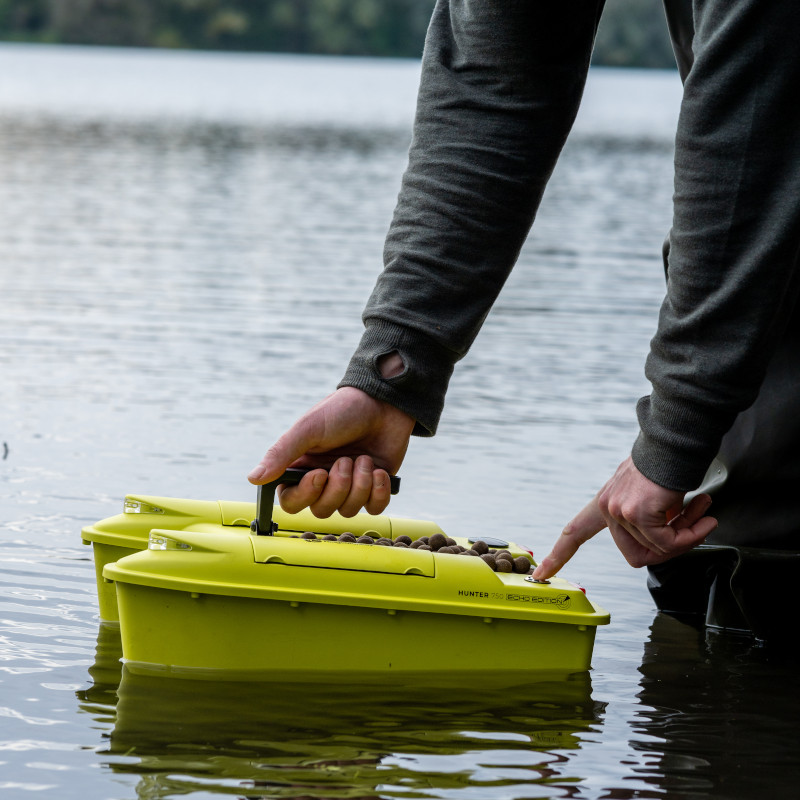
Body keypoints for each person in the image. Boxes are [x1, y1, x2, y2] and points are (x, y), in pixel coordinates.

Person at [248, 1, 800, 588]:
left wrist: (677, 428)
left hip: (767, 229)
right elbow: (495, 79)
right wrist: (394, 370)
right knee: (727, 569)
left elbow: (760, 88)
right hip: (763, 290)